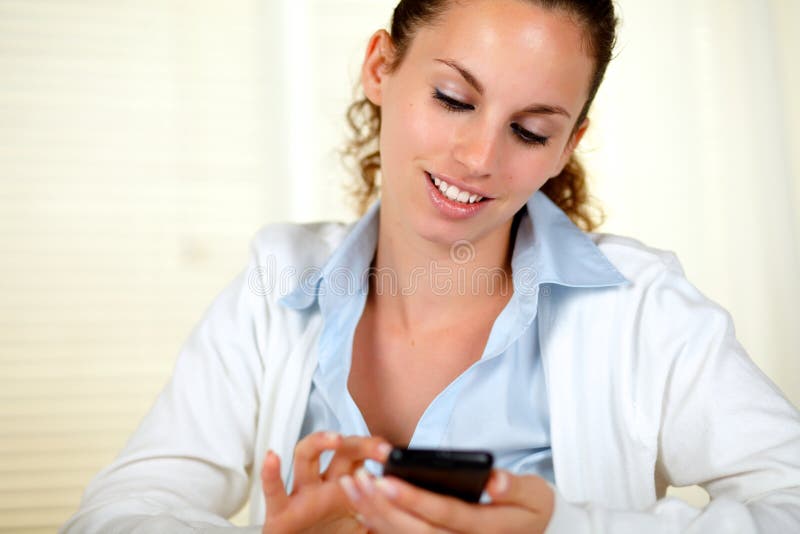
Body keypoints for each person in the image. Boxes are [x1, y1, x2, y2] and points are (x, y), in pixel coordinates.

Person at [62, 0, 800, 532]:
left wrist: (567, 528)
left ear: (569, 144)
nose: (479, 159)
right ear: (381, 67)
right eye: (452, 99)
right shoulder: (275, 283)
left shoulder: (644, 309)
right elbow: (118, 512)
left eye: (530, 130)